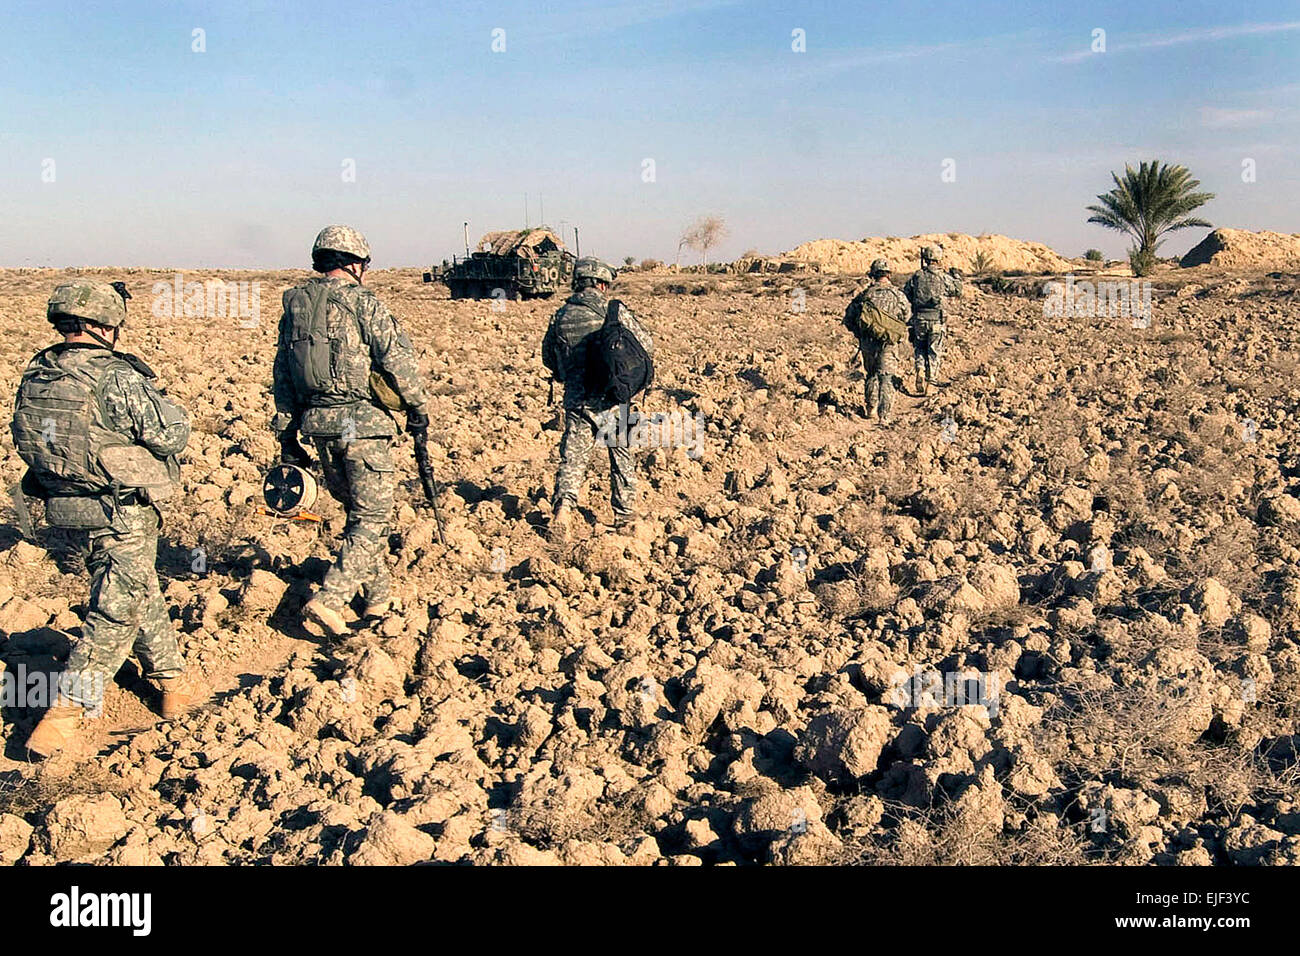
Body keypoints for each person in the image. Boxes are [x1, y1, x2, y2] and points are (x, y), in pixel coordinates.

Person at [13, 281, 195, 757]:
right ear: (105, 326)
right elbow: (172, 434)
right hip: (119, 509)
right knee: (115, 611)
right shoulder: (115, 376)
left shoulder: (39, 372)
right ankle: (66, 711)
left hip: (67, 509)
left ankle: (170, 681)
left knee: (134, 587)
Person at [271, 226, 430, 639]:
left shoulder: (295, 305)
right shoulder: (363, 302)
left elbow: (283, 375)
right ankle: (331, 600)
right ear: (355, 263)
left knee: (359, 516)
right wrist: (417, 407)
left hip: (319, 428)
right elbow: (397, 359)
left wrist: (287, 436)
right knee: (373, 517)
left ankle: (377, 598)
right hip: (363, 427)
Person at [541, 257, 647, 541]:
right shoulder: (614, 311)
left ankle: (562, 511)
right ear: (602, 284)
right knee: (621, 455)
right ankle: (624, 517)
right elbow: (644, 346)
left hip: (577, 398)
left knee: (573, 457)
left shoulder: (561, 315)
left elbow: (548, 357)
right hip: (612, 397)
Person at [842, 258, 910, 423]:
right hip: (889, 343)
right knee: (887, 377)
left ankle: (870, 408)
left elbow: (849, 317)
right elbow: (907, 316)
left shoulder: (865, 295)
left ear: (873, 274)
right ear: (888, 274)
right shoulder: (898, 295)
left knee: (871, 374)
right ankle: (884, 415)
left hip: (868, 342)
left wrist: (860, 333)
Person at [903, 245, 963, 395]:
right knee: (934, 352)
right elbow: (958, 290)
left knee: (920, 348)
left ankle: (920, 370)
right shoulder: (944, 277)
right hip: (937, 320)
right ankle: (931, 383)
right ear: (938, 259)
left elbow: (907, 294)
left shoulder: (917, 276)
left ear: (925, 259)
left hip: (919, 319)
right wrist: (956, 276)